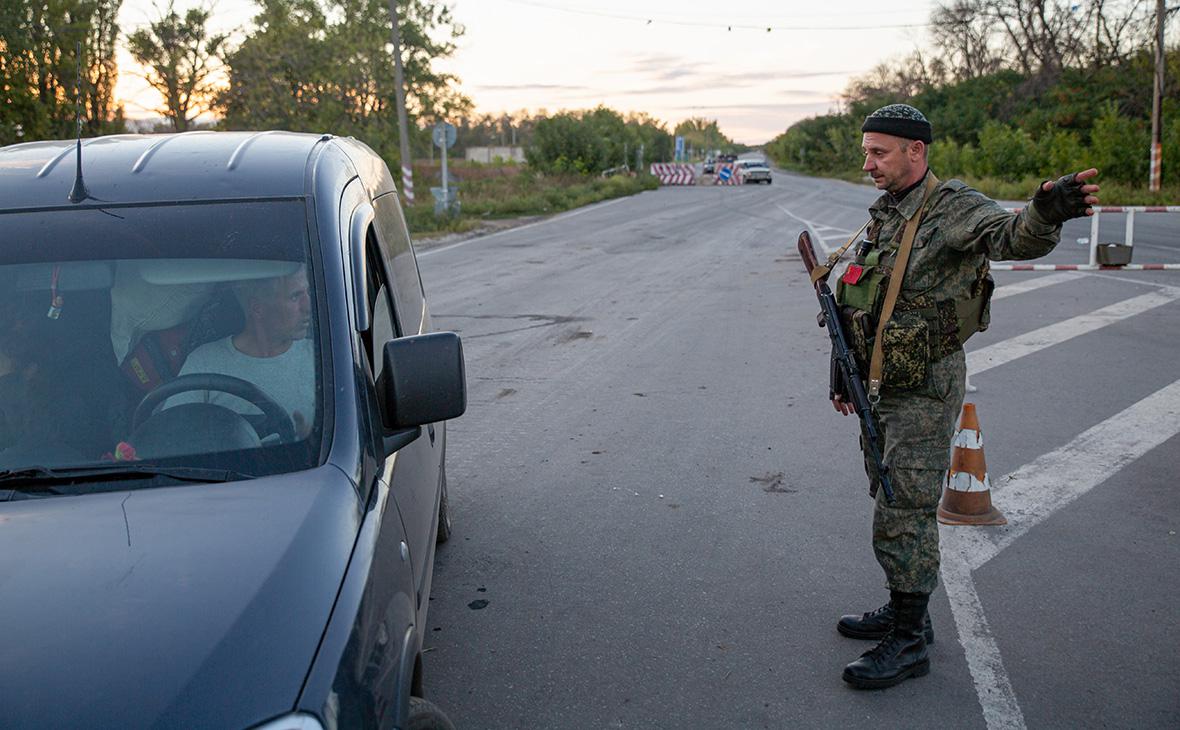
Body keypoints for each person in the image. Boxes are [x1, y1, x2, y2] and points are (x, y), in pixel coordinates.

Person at [829, 103, 1099, 689]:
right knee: (889, 489)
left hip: (924, 387)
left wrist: (1045, 213)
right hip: (883, 382)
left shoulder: (951, 206)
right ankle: (908, 613)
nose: (867, 162)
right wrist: (843, 376)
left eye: (879, 152)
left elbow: (1009, 237)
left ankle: (908, 643)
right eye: (866, 150)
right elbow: (864, 298)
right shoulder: (888, 214)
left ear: (916, 151)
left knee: (905, 504)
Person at [167, 268, 315, 436]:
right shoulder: (204, 363)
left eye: (308, 293)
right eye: (295, 296)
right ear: (257, 308)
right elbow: (171, 436)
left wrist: (310, 441)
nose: (308, 306)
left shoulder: (319, 360)